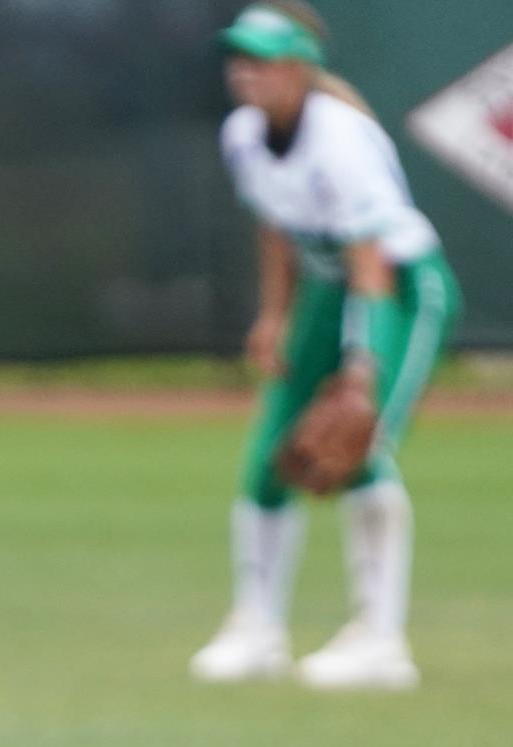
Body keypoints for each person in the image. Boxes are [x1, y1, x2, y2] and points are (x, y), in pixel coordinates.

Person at [191, 2, 462, 690]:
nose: (246, 74)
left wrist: (361, 368)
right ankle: (257, 627)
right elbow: (275, 229)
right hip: (325, 290)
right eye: (239, 59)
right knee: (272, 449)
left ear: (298, 70)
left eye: (262, 60)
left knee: (358, 444)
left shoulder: (340, 138)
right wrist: (274, 317)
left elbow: (370, 264)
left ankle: (380, 640)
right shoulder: (244, 136)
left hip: (398, 289)